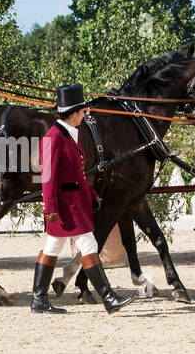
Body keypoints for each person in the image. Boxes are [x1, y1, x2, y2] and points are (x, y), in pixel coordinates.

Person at [30, 84, 134, 314]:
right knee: (88, 244)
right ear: (74, 113)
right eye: (82, 112)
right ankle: (109, 297)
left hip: (74, 203)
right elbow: (48, 178)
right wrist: (50, 207)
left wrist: (92, 194)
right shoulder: (53, 138)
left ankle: (38, 300)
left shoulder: (68, 135)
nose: (84, 115)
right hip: (64, 206)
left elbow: (77, 173)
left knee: (52, 247)